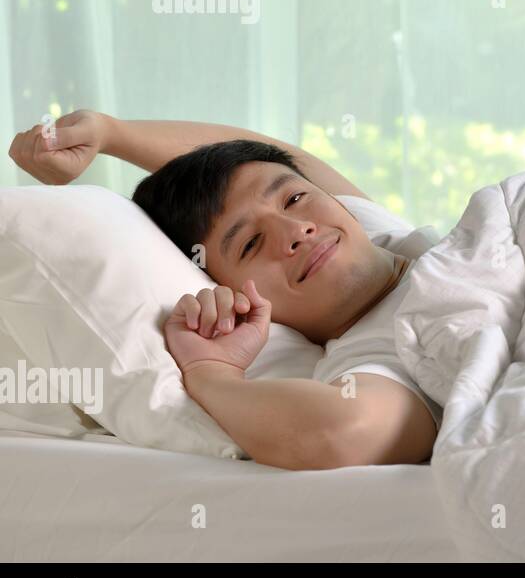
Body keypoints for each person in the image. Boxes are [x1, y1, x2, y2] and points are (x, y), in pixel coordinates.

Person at [7, 109, 438, 470]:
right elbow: (342, 432)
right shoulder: (384, 349)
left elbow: (275, 163)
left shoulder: (381, 235)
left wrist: (110, 133)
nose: (295, 230)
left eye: (292, 200)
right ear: (235, 294)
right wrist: (212, 376)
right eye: (250, 244)